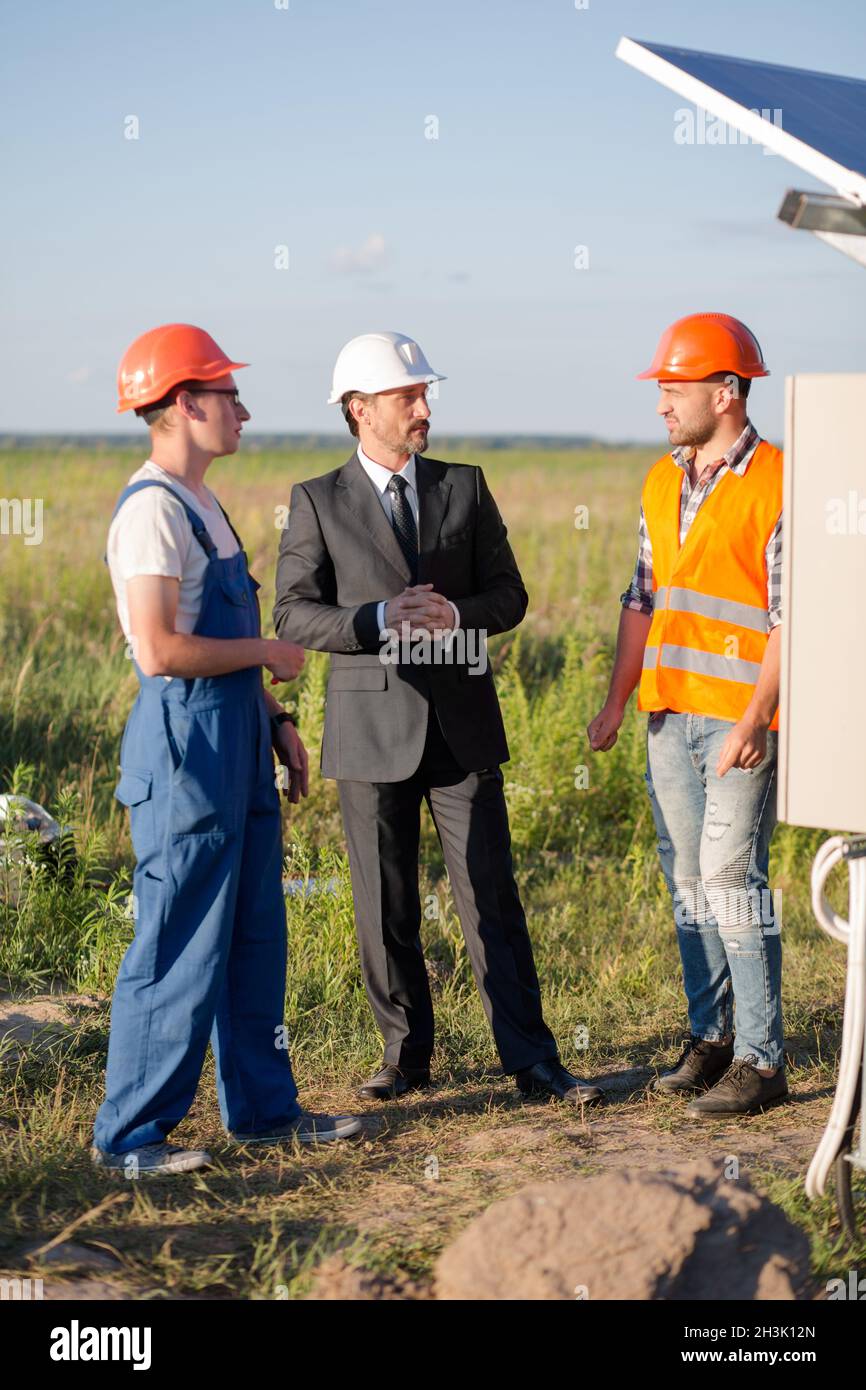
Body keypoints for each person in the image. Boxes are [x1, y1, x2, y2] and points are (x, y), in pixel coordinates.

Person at [273, 330, 605, 1107]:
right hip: (368, 733)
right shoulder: (316, 500)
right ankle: (404, 1057)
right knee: (383, 905)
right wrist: (379, 616)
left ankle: (533, 1062)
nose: (424, 407)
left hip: (463, 729)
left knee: (492, 895)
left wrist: (456, 613)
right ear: (360, 410)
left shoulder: (466, 484)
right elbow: (292, 615)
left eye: (425, 393)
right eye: (407, 396)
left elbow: (510, 597)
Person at [93, 322, 363, 1175]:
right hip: (183, 759)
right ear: (182, 405)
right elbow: (158, 651)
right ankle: (130, 1138)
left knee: (252, 934)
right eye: (227, 394)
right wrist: (268, 657)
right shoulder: (150, 513)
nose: (242, 409)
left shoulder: (204, 502)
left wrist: (276, 725)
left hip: (236, 743)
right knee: (177, 941)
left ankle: (263, 1111)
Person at [587, 313, 786, 1117]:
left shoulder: (778, 479)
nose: (663, 403)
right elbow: (644, 597)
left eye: (675, 387)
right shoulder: (660, 480)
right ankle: (710, 1039)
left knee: (731, 878)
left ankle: (763, 1059)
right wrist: (615, 697)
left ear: (727, 391)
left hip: (742, 724)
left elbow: (789, 616)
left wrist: (756, 720)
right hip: (669, 714)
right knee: (689, 880)